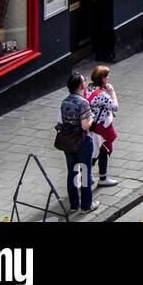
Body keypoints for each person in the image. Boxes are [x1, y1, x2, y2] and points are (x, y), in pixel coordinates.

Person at [57, 72, 96, 213]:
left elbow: (61, 121)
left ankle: (74, 205)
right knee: (85, 173)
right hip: (82, 142)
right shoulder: (83, 102)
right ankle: (86, 205)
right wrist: (91, 117)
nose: (86, 83)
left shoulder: (65, 101)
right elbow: (85, 125)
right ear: (81, 85)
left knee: (72, 173)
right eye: (84, 81)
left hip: (68, 142)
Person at [83, 65, 119, 189]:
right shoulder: (103, 95)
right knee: (104, 149)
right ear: (103, 79)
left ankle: (88, 175)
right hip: (102, 126)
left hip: (91, 125)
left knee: (96, 150)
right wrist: (112, 91)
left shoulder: (88, 89)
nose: (109, 77)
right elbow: (115, 107)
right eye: (107, 75)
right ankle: (101, 178)